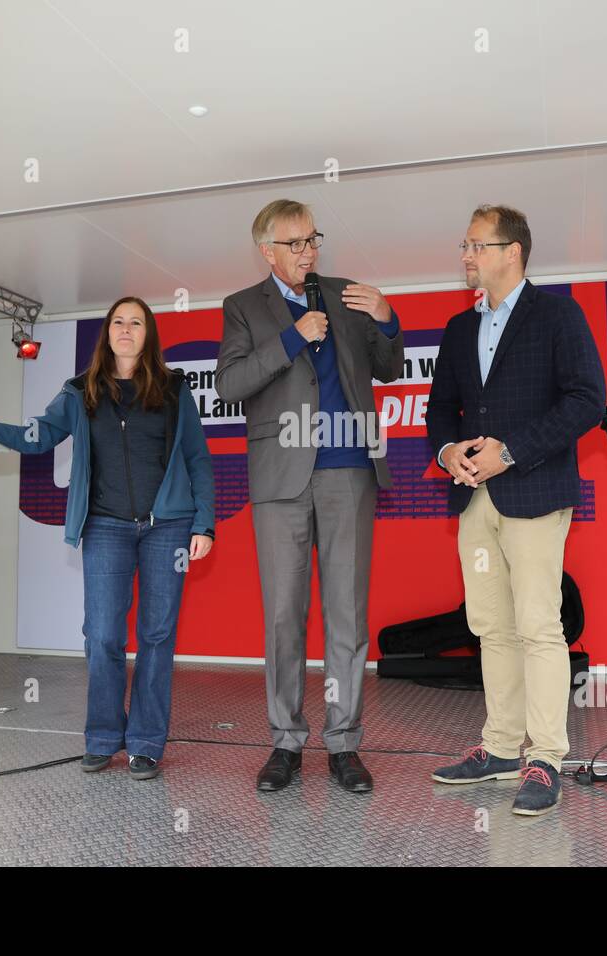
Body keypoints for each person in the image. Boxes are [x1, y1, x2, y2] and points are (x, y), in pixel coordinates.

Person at [0, 296, 215, 780]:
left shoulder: (175, 389)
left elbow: (197, 459)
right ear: (107, 333)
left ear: (147, 333)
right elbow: (36, 437)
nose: (126, 329)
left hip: (168, 527)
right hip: (106, 526)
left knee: (157, 635)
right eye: (118, 322)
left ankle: (147, 743)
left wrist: (204, 523)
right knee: (104, 636)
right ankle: (104, 738)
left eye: (135, 322)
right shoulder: (80, 391)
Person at [215, 198, 404, 793]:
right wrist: (292, 338)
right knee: (283, 616)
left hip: (348, 470)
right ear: (267, 250)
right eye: (294, 244)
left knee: (347, 614)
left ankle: (345, 745)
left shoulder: (345, 295)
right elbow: (229, 384)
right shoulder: (243, 307)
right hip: (280, 477)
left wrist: (388, 317)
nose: (308, 253)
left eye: (313, 240)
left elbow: (391, 368)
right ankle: (286, 743)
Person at [426, 204, 605, 816]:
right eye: (465, 245)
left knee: (537, 627)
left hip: (532, 494)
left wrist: (513, 452)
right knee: (490, 628)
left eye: (476, 245)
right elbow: (439, 412)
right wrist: (450, 451)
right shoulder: (457, 329)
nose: (466, 256)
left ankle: (546, 758)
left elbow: (587, 401)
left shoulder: (557, 314)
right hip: (473, 500)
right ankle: (500, 748)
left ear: (512, 252)